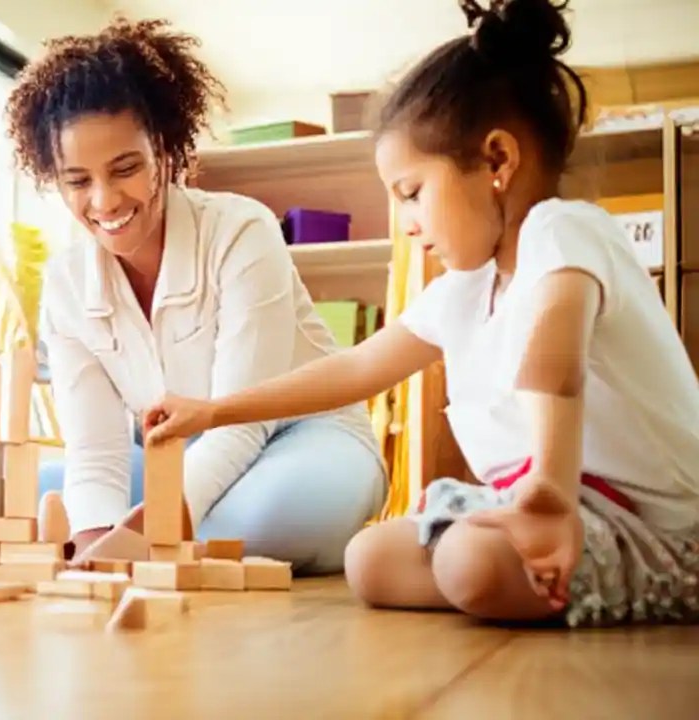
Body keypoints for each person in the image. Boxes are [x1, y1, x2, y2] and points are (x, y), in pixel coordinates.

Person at [146, 0, 699, 627]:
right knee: (370, 558)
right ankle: (511, 571)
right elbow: (354, 369)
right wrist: (216, 411)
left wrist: (547, 489)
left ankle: (526, 571)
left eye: (413, 193)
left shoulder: (564, 230)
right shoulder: (466, 288)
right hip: (543, 506)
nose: (407, 225)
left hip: (658, 531)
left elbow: (555, 358)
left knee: (470, 560)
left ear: (497, 161)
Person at [0, 18, 386, 570]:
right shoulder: (66, 283)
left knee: (263, 524)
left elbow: (241, 424)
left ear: (165, 151)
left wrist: (144, 533)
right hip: (175, 461)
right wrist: (93, 541)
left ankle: (189, 534)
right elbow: (97, 449)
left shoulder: (241, 231)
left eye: (125, 168)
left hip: (304, 438)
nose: (104, 200)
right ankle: (178, 537)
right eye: (77, 181)